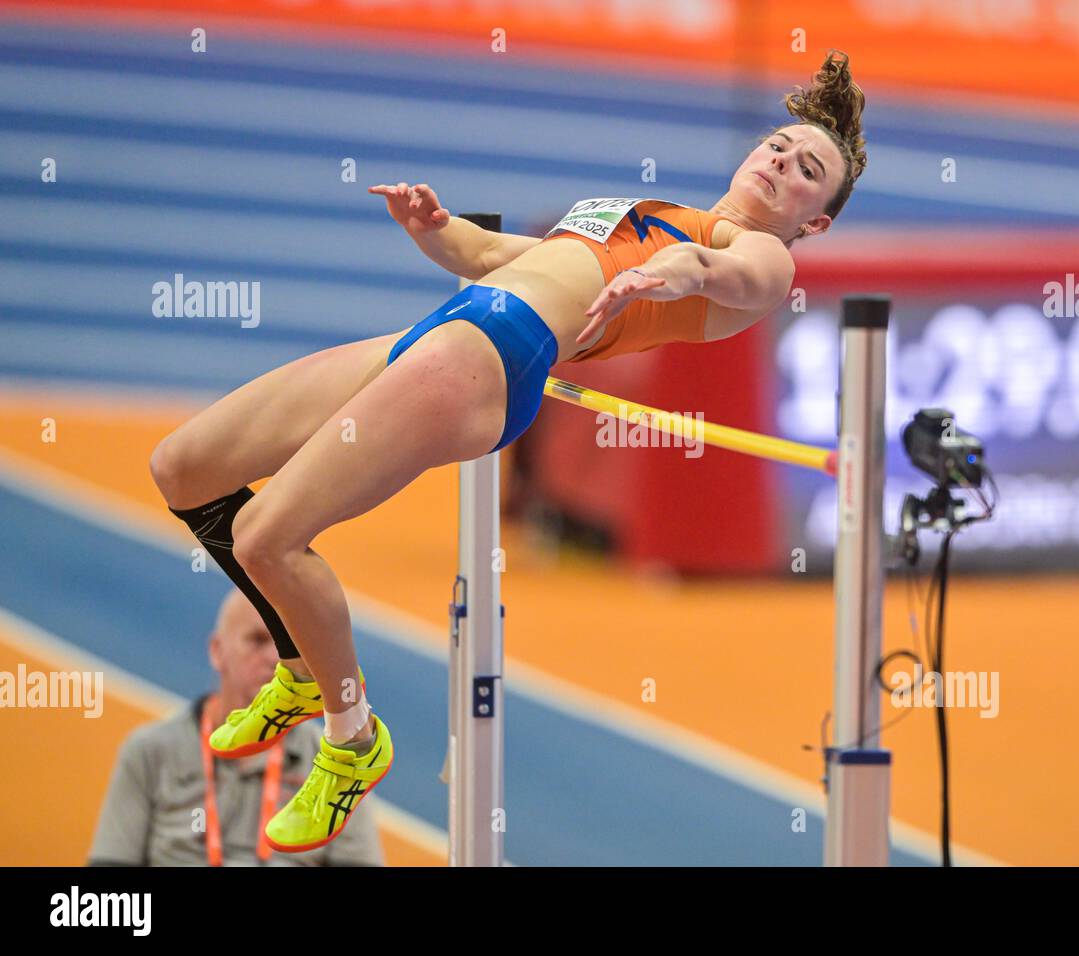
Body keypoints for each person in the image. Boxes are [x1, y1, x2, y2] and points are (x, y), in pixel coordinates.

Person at [148, 49, 866, 852]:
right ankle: (299, 661)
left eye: (808, 171)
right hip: (452, 325)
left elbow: (712, 272)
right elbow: (491, 259)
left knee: (265, 537)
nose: (781, 164)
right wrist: (434, 226)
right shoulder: (652, 208)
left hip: (488, 360)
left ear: (817, 220)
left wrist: (664, 275)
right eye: (779, 146)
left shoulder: (764, 255)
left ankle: (350, 740)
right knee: (184, 466)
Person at [88, 589, 383, 865]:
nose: (275, 659)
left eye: (290, 648)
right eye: (257, 640)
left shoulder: (338, 763)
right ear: (218, 651)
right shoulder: (151, 752)